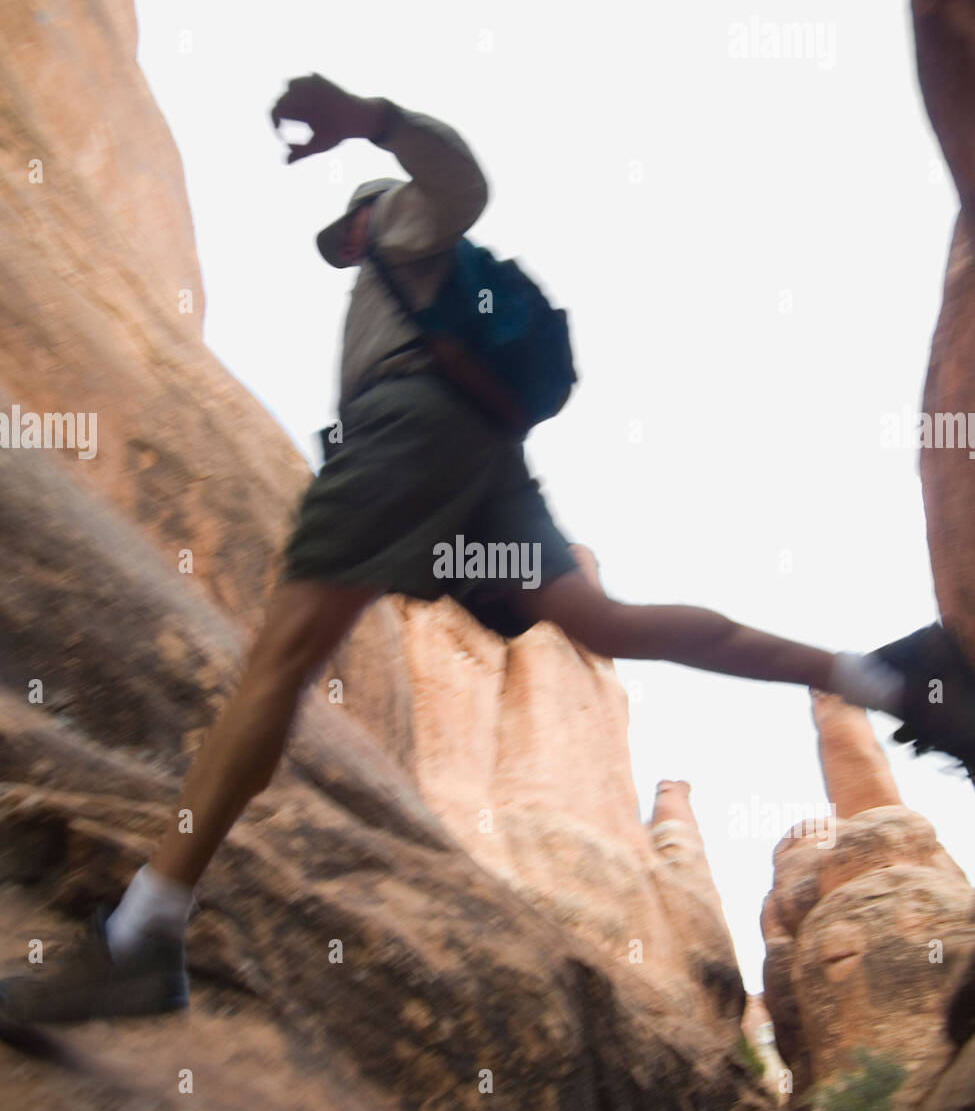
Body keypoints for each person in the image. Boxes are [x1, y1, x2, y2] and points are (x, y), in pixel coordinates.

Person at [3, 74, 975, 1026]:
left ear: (364, 218)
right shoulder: (407, 269)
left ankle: (142, 934)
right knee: (604, 622)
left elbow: (461, 184)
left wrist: (369, 121)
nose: (341, 245)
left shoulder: (404, 226)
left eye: (344, 228)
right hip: (485, 471)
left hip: (410, 436)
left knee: (280, 663)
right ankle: (888, 678)